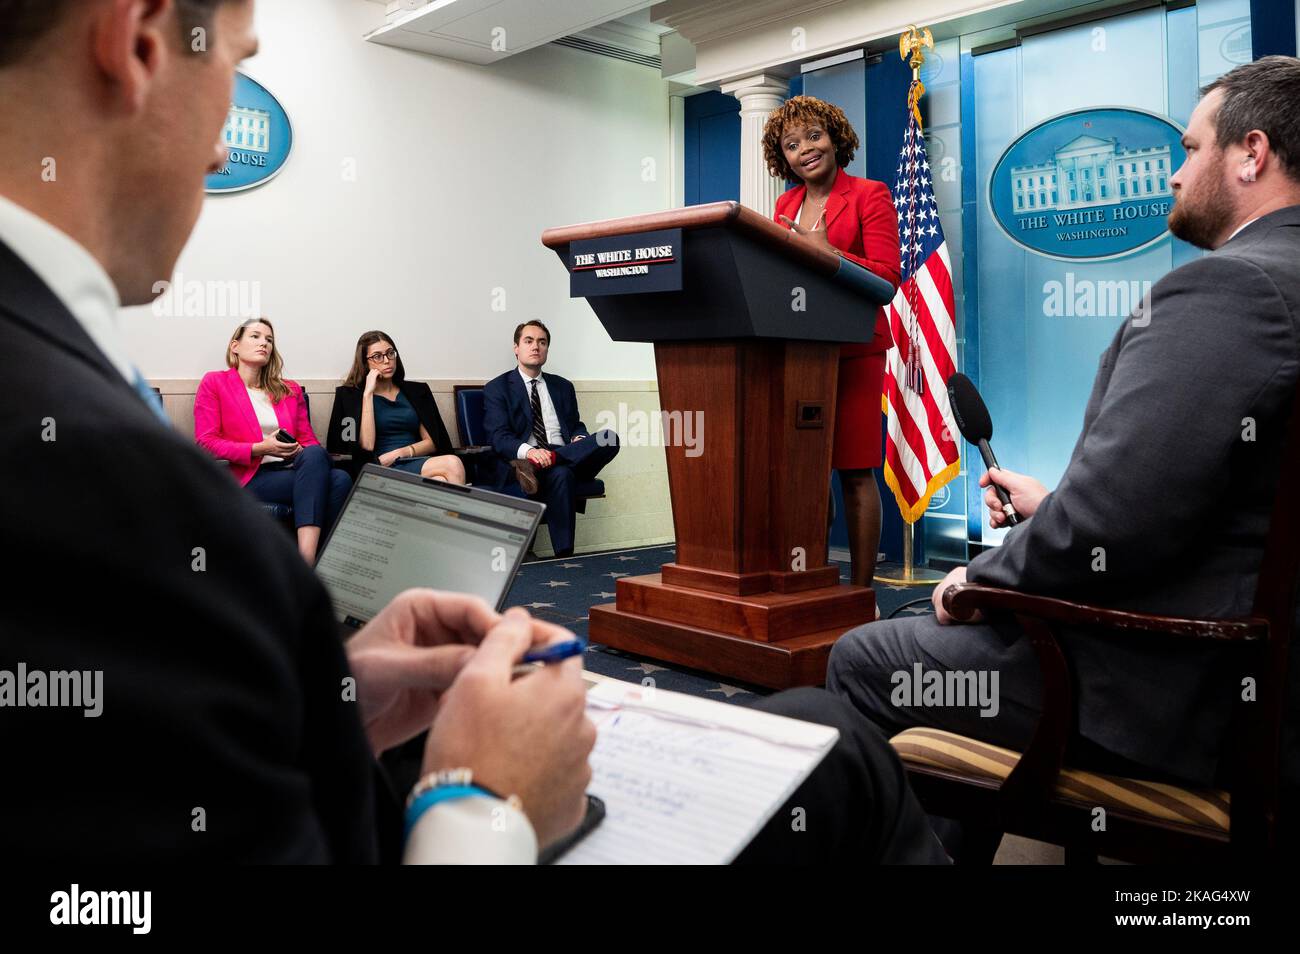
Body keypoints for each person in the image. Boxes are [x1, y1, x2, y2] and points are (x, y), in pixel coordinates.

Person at [0, 0, 947, 864]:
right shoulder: (90, 466)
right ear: (137, 40)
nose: (214, 152)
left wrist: (328, 691)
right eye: (234, 65)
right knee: (846, 751)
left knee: (823, 721)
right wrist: (482, 800)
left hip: (824, 361)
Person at [828, 57, 1300, 800]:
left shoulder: (1233, 288)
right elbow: (1219, 504)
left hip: (1171, 689)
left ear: (1252, 153)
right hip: (1243, 663)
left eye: (1189, 148)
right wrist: (1051, 509)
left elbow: (1105, 527)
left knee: (864, 654)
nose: (1175, 176)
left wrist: (973, 584)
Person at [764, 95, 902, 589]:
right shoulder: (785, 205)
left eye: (814, 137)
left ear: (836, 138)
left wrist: (831, 255)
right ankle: (814, 585)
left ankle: (862, 592)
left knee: (855, 471)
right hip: (803, 351)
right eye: (792, 145)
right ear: (784, 158)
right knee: (809, 471)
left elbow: (887, 278)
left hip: (856, 349)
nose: (806, 150)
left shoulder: (870, 194)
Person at [194, 317, 350, 563]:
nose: (263, 343)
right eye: (255, 336)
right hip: (251, 476)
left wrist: (296, 451)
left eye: (269, 339)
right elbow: (206, 442)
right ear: (235, 346)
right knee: (338, 480)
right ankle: (309, 565)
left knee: (331, 469)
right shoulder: (215, 383)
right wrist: (260, 448)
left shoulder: (289, 389)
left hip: (293, 469)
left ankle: (307, 563)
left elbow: (309, 441)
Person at [482, 321, 620, 558]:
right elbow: (498, 436)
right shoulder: (498, 388)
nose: (536, 346)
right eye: (529, 341)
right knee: (562, 474)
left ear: (547, 349)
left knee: (609, 438)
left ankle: (553, 459)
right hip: (526, 459)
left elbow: (575, 424)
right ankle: (564, 554)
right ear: (516, 348)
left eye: (542, 342)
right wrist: (530, 453)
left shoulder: (562, 387)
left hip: (559, 454)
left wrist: (580, 436)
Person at [327, 330, 465, 484]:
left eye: (390, 353)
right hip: (378, 467)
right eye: (377, 356)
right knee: (452, 465)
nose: (387, 360)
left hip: (416, 461)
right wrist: (367, 394)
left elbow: (432, 441)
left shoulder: (417, 392)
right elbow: (364, 445)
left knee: (441, 479)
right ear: (365, 362)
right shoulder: (348, 397)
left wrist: (401, 453)